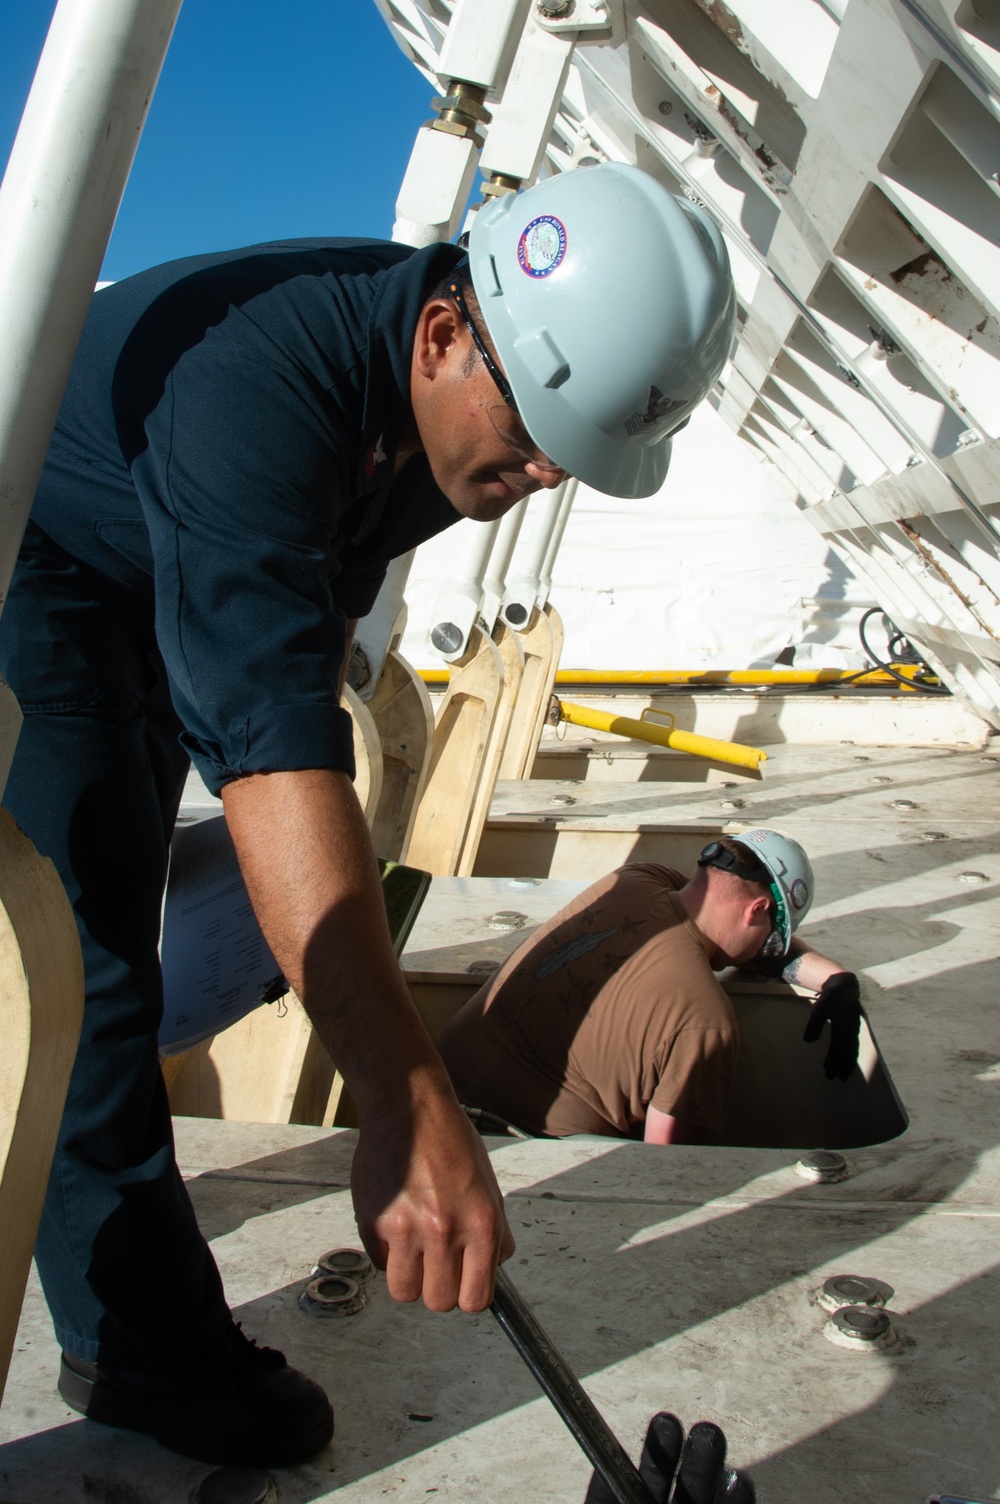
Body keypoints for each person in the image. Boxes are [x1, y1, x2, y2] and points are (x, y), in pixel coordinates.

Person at [0, 163, 735, 1466]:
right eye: (536, 427)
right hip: (40, 559)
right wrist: (402, 1093)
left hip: (148, 561)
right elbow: (277, 764)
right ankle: (142, 1348)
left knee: (140, 905)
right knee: (75, 952)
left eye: (575, 448)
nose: (549, 469)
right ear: (445, 334)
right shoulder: (262, 388)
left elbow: (302, 650)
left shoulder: (450, 414)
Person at [438, 831, 863, 1144]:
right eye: (773, 937)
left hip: (434, 1097)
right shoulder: (707, 1024)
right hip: (525, 1150)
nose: (768, 951)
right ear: (757, 909)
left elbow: (729, 930)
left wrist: (835, 980)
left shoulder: (638, 878)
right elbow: (661, 1161)